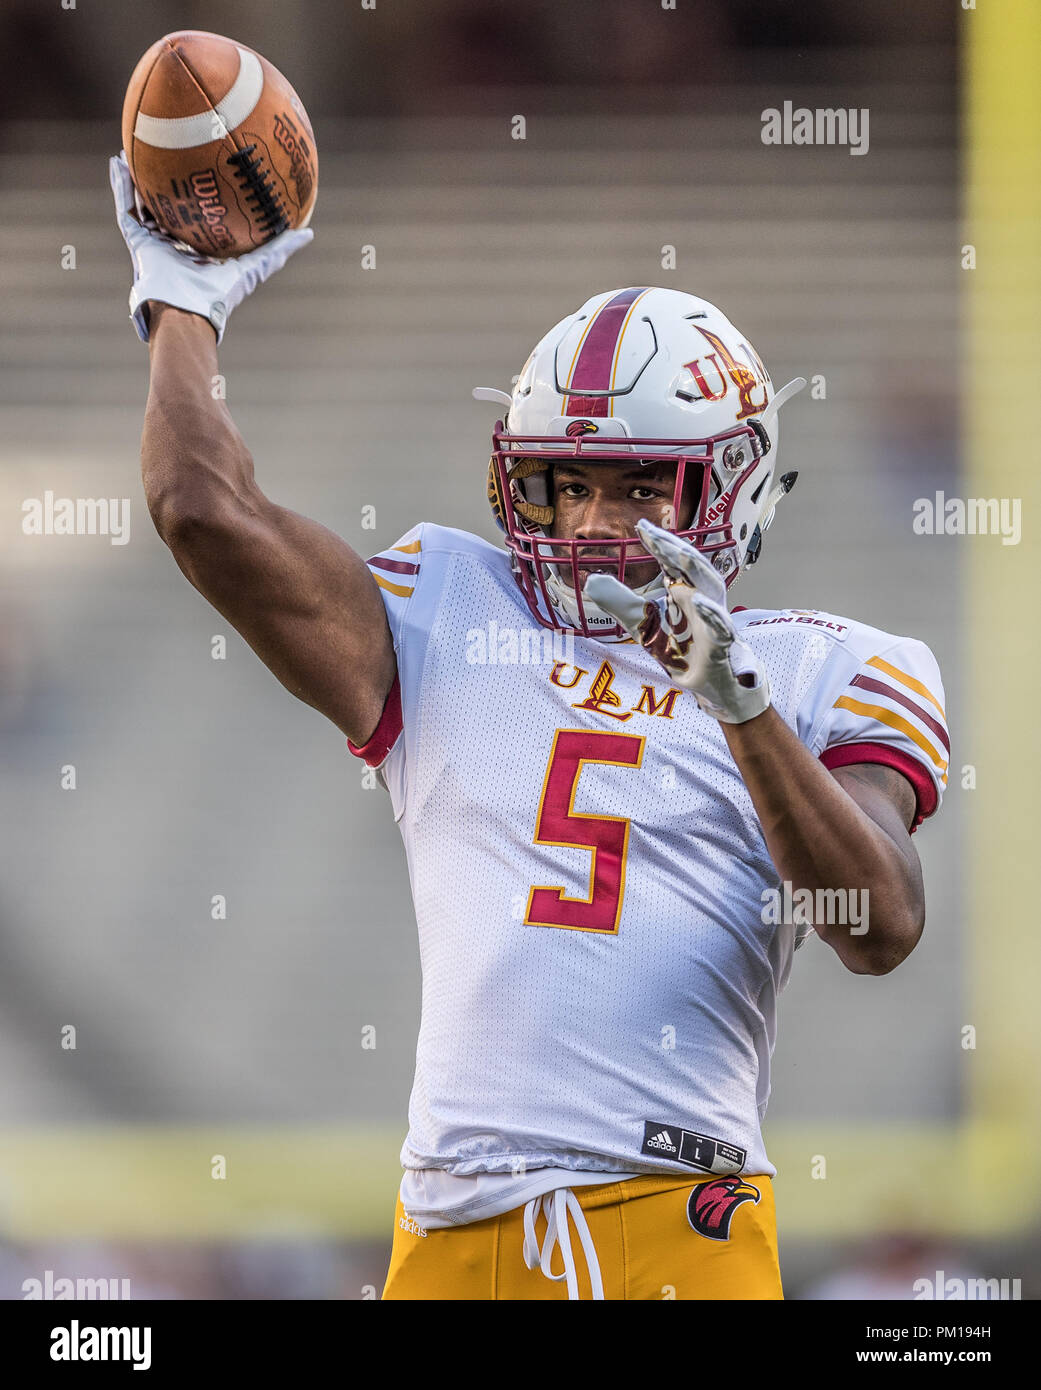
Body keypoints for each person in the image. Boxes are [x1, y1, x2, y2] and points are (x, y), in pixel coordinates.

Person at [111, 157, 949, 1301]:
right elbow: (202, 512)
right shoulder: (450, 609)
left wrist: (739, 703)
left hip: (669, 1226)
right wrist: (183, 307)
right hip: (445, 1238)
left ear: (735, 490)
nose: (595, 524)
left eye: (638, 488)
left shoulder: (818, 665)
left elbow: (881, 920)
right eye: (565, 484)